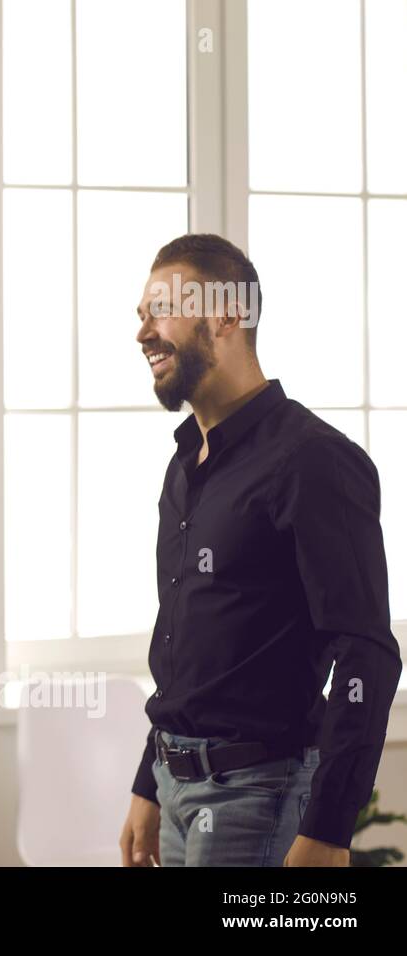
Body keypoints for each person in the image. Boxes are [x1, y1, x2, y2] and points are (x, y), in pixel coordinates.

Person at [118, 233, 402, 868]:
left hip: (261, 799)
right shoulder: (184, 464)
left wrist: (328, 830)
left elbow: (367, 655)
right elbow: (190, 647)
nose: (143, 331)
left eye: (160, 307)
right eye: (140, 314)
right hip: (175, 789)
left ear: (225, 313)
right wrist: (148, 780)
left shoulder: (314, 461)